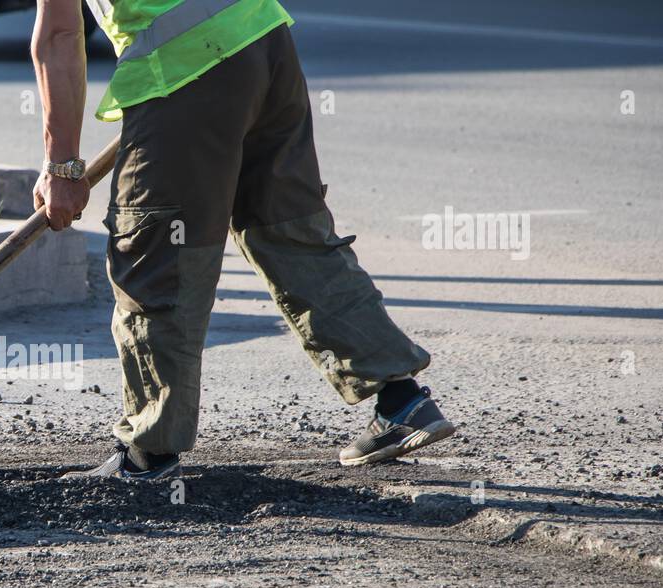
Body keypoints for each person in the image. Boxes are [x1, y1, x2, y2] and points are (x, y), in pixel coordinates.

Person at [29, 0, 455, 479]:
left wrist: (62, 167)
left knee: (157, 255)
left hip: (181, 72)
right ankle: (402, 402)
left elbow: (61, 35)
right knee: (291, 234)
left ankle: (150, 453)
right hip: (265, 44)